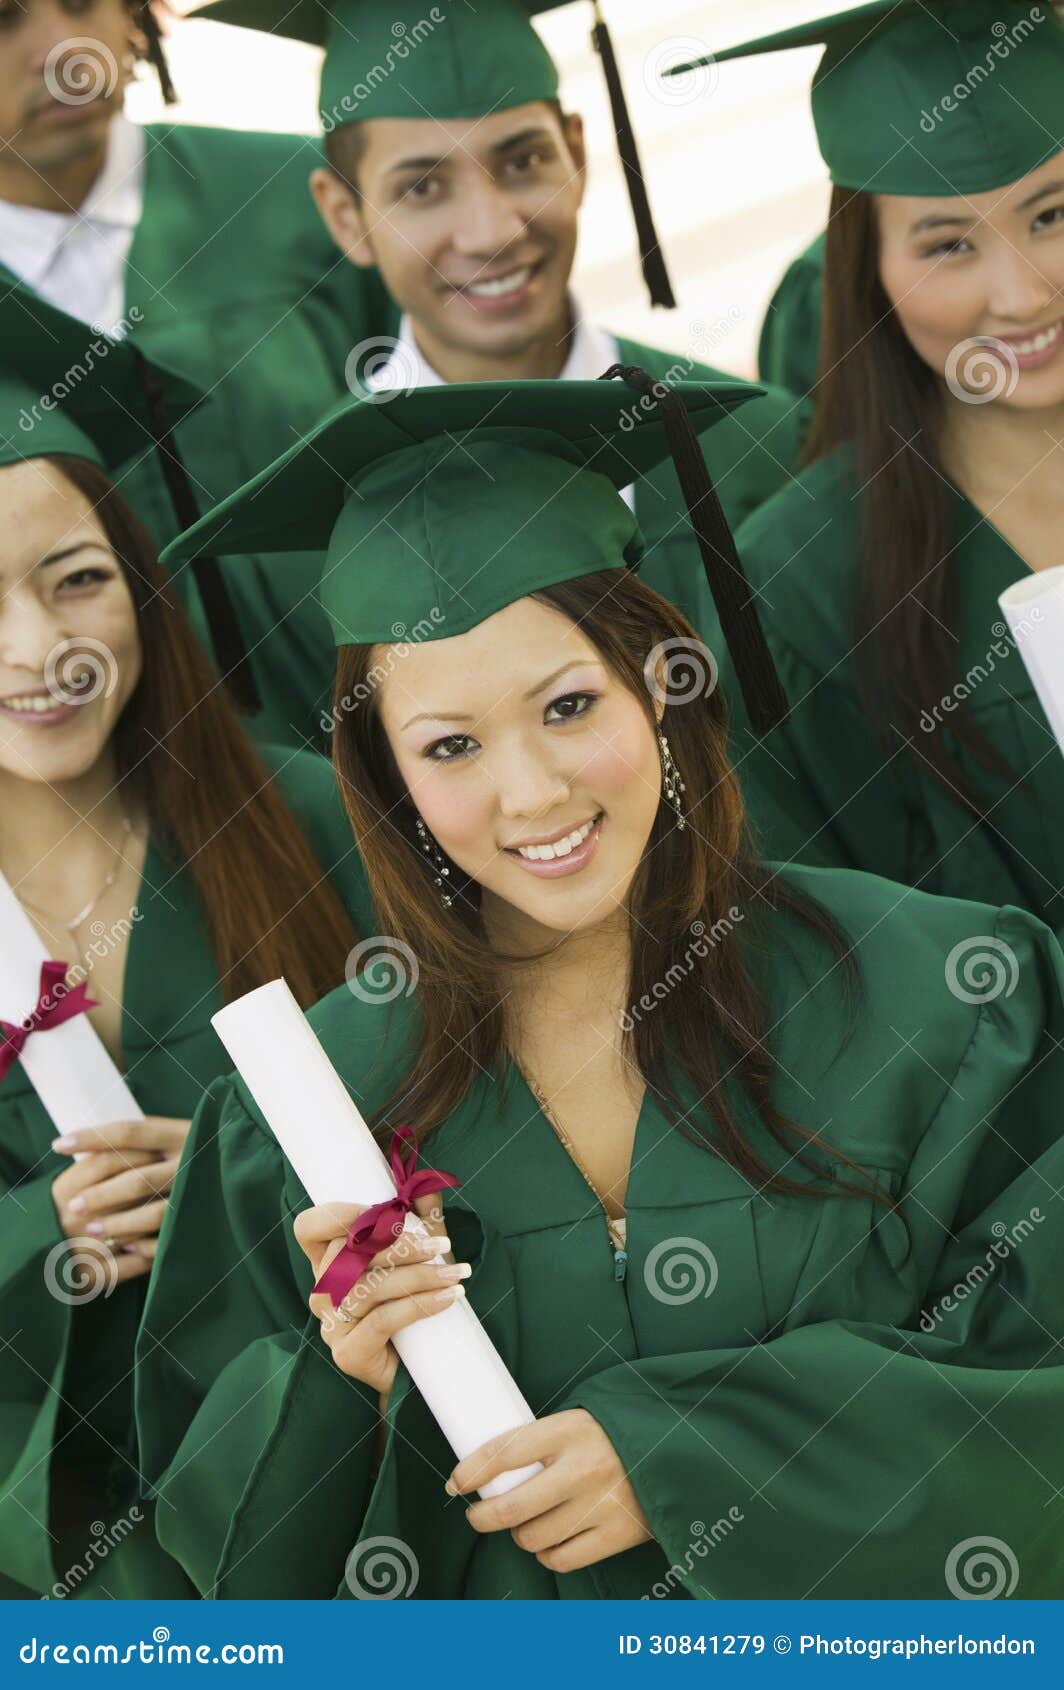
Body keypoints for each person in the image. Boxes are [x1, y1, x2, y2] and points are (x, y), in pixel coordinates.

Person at [135, 375, 1064, 1599]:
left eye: (568, 705)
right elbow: (209, 1575)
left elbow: (1032, 1392)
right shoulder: (304, 1117)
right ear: (382, 776)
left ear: (660, 685)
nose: (530, 796)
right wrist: (339, 1381)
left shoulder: (943, 994)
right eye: (450, 746)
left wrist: (697, 1461)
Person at [0, 358, 378, 1599]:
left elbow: (503, 1112)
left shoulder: (319, 820)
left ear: (145, 590)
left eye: (79, 581)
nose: (40, 649)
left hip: (371, 1485)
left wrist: (242, 1179)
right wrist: (35, 1236)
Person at [194, 0, 807, 638]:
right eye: (423, 187)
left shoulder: (765, 450)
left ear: (575, 153)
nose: (491, 233)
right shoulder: (297, 541)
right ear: (346, 217)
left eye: (522, 163)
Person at [679, 0, 1064, 933]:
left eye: (1052, 214)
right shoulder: (801, 587)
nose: (1022, 293)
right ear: (870, 269)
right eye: (948, 244)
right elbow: (834, 954)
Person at [0, 0, 398, 746]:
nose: (60, 51)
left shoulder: (305, 201)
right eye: (4, 18)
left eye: (82, 2)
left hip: (380, 743)